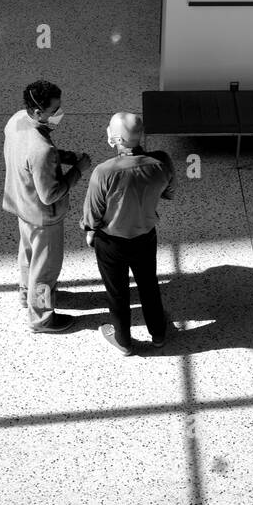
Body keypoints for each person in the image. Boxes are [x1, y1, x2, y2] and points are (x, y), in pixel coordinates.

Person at [81, 111, 175, 356]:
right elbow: (169, 193)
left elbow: (92, 212)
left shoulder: (104, 172)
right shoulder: (161, 164)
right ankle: (158, 334)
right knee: (148, 285)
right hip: (145, 238)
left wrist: (90, 230)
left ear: (118, 140)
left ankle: (123, 341)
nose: (108, 133)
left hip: (111, 243)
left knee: (117, 291)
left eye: (111, 130)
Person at [3, 80, 91, 334]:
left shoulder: (17, 119)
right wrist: (78, 170)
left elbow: (29, 153)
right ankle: (41, 318)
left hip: (21, 204)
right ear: (38, 112)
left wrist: (60, 156)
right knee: (45, 270)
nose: (59, 114)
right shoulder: (41, 150)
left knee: (28, 256)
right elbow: (51, 194)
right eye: (55, 110)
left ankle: (24, 294)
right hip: (44, 219)